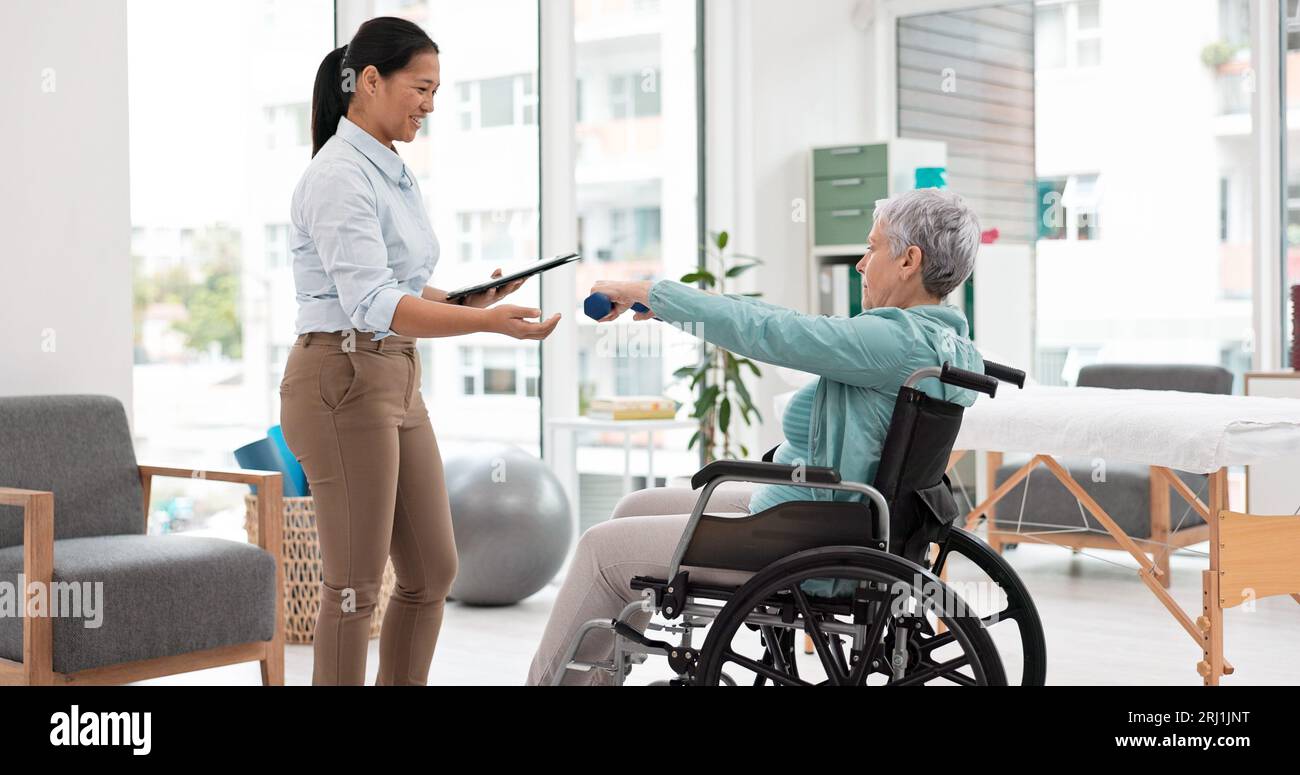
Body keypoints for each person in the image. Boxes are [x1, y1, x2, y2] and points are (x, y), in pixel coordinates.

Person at [526, 188, 984, 685]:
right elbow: (779, 329)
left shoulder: (894, 341)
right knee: (633, 508)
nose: (859, 263)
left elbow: (771, 330)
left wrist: (653, 293)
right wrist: (673, 309)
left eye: (871, 248)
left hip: (808, 530)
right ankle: (597, 676)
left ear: (908, 260)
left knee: (601, 549)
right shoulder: (947, 345)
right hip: (842, 514)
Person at [279, 16, 560, 686]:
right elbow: (373, 302)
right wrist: (490, 329)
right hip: (341, 379)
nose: (430, 105)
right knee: (352, 589)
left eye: (437, 91)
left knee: (433, 569)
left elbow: (399, 285)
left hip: (394, 376)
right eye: (422, 87)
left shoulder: (389, 169)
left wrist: (475, 300)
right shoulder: (337, 176)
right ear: (370, 81)